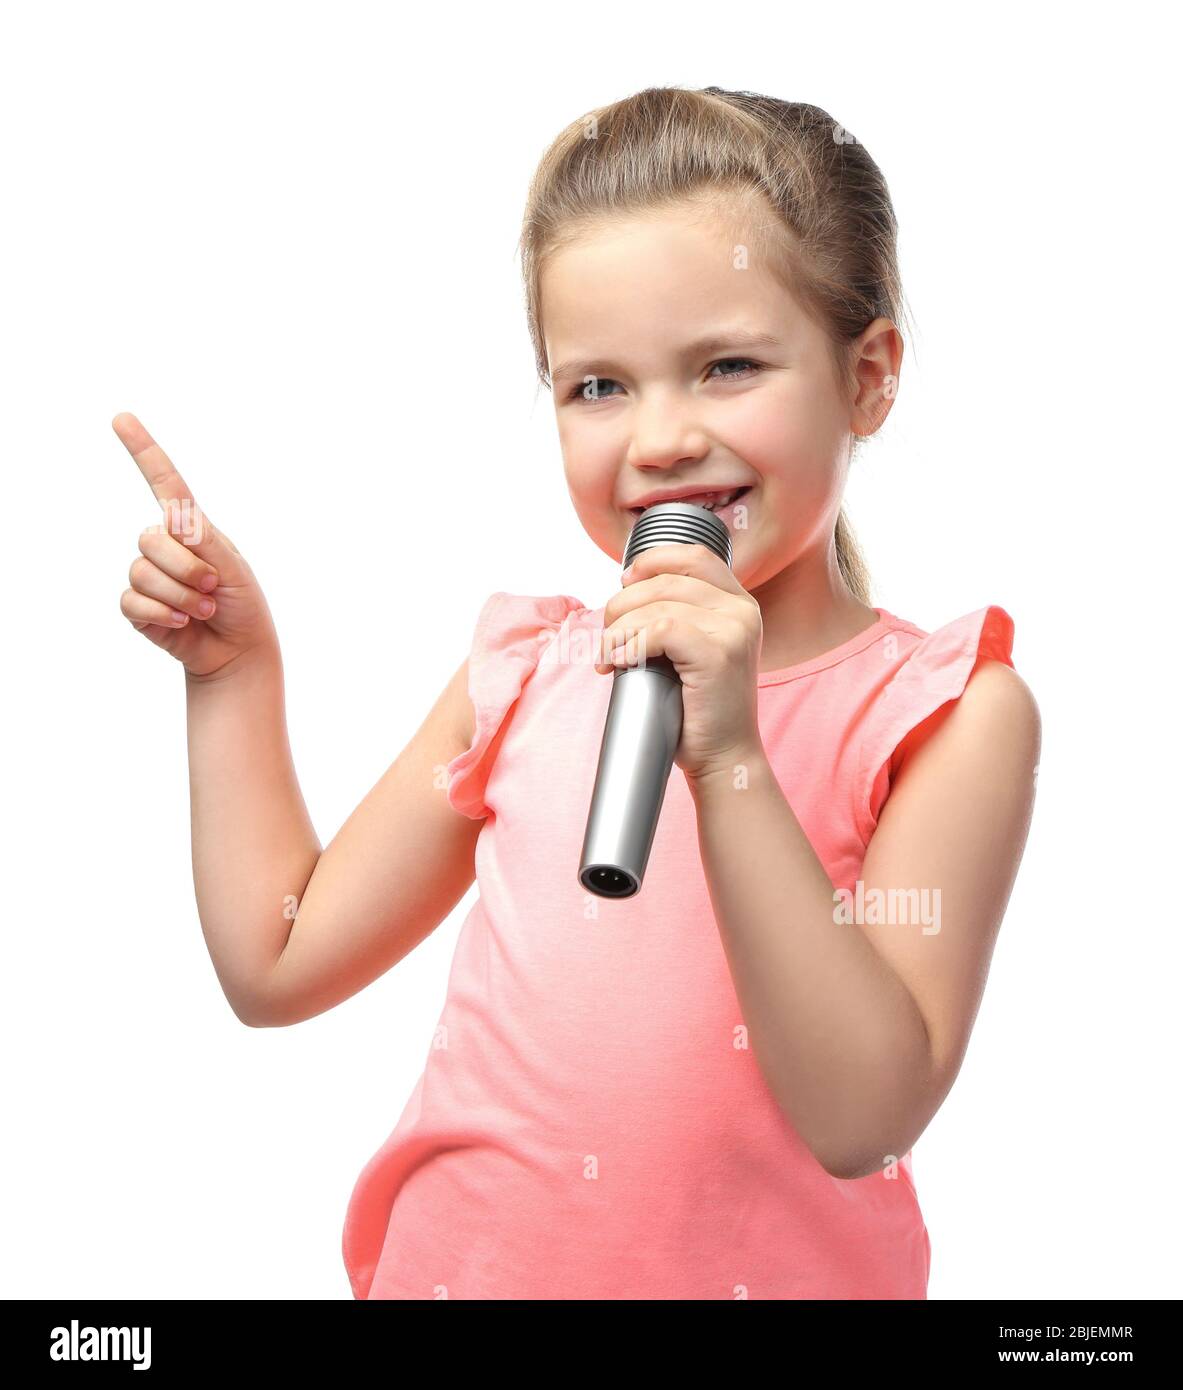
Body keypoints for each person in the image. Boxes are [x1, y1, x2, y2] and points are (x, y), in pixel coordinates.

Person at [115, 85, 1040, 1300]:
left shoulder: (938, 712)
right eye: (597, 386)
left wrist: (729, 763)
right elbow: (275, 965)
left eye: (725, 366)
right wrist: (234, 677)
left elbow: (862, 1113)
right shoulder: (524, 674)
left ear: (865, 377)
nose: (657, 440)